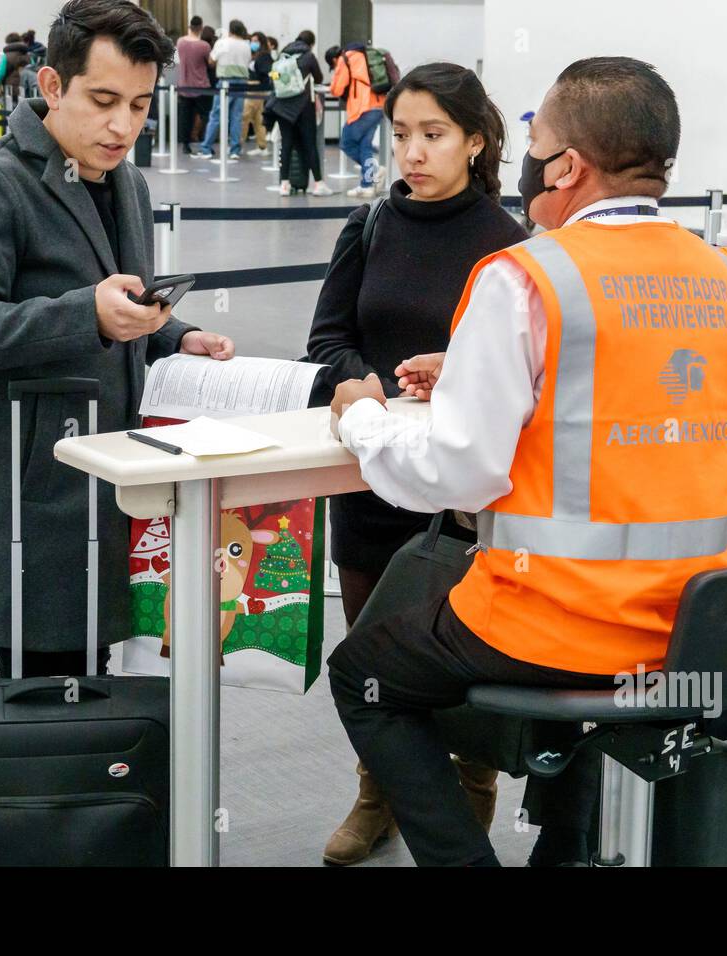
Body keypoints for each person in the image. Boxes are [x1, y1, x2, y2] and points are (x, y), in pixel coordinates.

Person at [326, 56, 727, 866]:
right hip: (688, 625)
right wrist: (480, 377)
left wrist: (365, 423)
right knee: (575, 703)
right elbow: (643, 413)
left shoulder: (528, 277)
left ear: (566, 166)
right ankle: (563, 846)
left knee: (364, 672)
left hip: (552, 618)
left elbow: (457, 474)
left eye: (538, 136)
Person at [0, 0, 235, 680]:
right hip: (36, 499)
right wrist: (83, 315)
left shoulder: (127, 182)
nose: (122, 125)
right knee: (43, 701)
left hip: (117, 484)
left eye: (139, 104)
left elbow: (121, 300)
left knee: (98, 694)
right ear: (51, 87)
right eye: (102, 99)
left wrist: (174, 336)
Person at [307, 62, 529, 866]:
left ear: (475, 141)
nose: (413, 152)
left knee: (464, 647)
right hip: (367, 478)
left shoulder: (510, 247)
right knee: (372, 651)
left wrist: (459, 380)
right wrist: (354, 381)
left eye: (433, 135)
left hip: (464, 489)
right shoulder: (369, 226)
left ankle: (470, 789)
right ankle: (379, 796)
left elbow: (529, 372)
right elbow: (326, 337)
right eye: (401, 134)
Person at [267, 30, 332, 196]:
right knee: (310, 144)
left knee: (286, 144)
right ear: (311, 43)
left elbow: (273, 78)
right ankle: (318, 184)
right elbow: (318, 78)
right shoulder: (309, 56)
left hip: (282, 106)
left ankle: (284, 185)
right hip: (304, 106)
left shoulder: (283, 54)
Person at [326, 43, 388, 198]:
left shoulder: (346, 58)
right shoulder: (364, 55)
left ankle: (373, 170)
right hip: (379, 104)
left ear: (335, 59)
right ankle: (366, 185)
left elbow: (337, 88)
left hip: (363, 108)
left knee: (346, 142)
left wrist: (332, 85)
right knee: (364, 145)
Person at [192, 19, 251, 160]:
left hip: (225, 82)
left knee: (216, 115)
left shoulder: (223, 42)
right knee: (236, 117)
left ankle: (206, 148)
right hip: (242, 82)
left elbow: (211, 60)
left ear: (230, 30)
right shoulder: (246, 45)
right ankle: (235, 150)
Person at [174, 15, 211, 153]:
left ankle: (185, 144)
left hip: (184, 85)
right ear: (201, 28)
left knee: (185, 117)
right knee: (205, 115)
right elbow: (210, 63)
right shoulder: (204, 46)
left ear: (190, 27)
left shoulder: (180, 42)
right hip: (202, 86)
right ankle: (204, 142)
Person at [240, 30, 272, 156]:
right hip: (255, 88)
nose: (252, 43)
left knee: (244, 116)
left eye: (255, 41)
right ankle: (262, 146)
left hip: (255, 88)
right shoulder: (256, 55)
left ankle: (238, 144)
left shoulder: (263, 56)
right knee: (258, 118)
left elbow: (265, 71)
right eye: (251, 41)